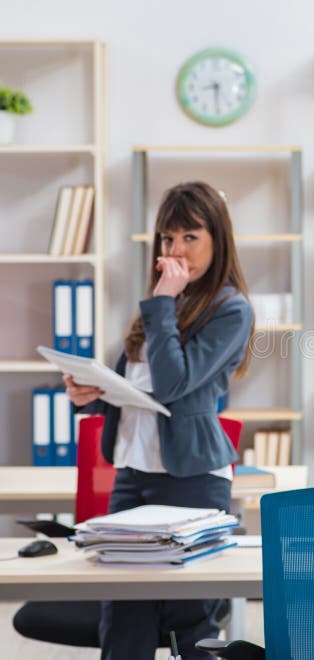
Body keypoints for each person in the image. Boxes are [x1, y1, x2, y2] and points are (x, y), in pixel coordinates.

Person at [66, 181, 254, 659]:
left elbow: (173, 384)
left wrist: (162, 303)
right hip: (133, 476)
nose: (176, 251)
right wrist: (90, 393)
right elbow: (133, 388)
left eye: (190, 237)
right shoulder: (159, 309)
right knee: (122, 618)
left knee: (187, 624)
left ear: (217, 239)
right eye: (168, 239)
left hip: (191, 481)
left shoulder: (230, 310)